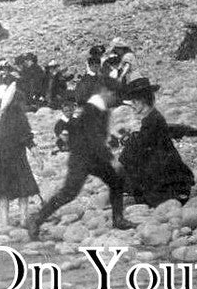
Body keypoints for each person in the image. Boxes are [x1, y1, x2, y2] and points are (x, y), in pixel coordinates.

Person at [27, 78, 133, 239]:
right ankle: (36, 219)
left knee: (117, 179)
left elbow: (98, 138)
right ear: (105, 91)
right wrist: (111, 159)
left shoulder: (100, 108)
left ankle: (118, 218)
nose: (115, 99)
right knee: (69, 192)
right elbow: (94, 138)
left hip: (93, 157)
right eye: (114, 95)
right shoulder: (92, 109)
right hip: (81, 158)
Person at [117, 78, 194, 207]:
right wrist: (132, 138)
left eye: (134, 101)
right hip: (167, 172)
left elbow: (142, 147)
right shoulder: (153, 116)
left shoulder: (151, 120)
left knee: (126, 158)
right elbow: (145, 140)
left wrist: (129, 141)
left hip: (165, 178)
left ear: (142, 100)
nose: (132, 105)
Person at [0, 84, 41, 226]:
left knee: (4, 193)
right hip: (18, 161)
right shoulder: (21, 122)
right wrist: (38, 157)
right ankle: (23, 219)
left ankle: (4, 220)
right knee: (23, 192)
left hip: (1, 162)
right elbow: (28, 141)